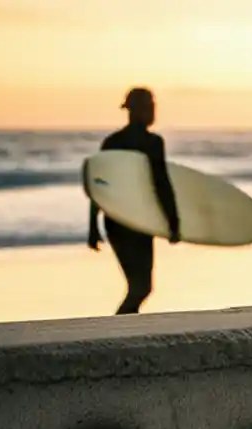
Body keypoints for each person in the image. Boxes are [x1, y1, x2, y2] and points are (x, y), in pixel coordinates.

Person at [87, 87, 180, 315]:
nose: (153, 112)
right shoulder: (150, 143)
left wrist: (93, 226)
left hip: (126, 221)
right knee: (141, 287)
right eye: (149, 107)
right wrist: (173, 221)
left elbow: (99, 186)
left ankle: (124, 326)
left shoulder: (114, 142)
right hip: (130, 222)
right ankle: (118, 328)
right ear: (136, 110)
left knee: (140, 287)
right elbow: (161, 183)